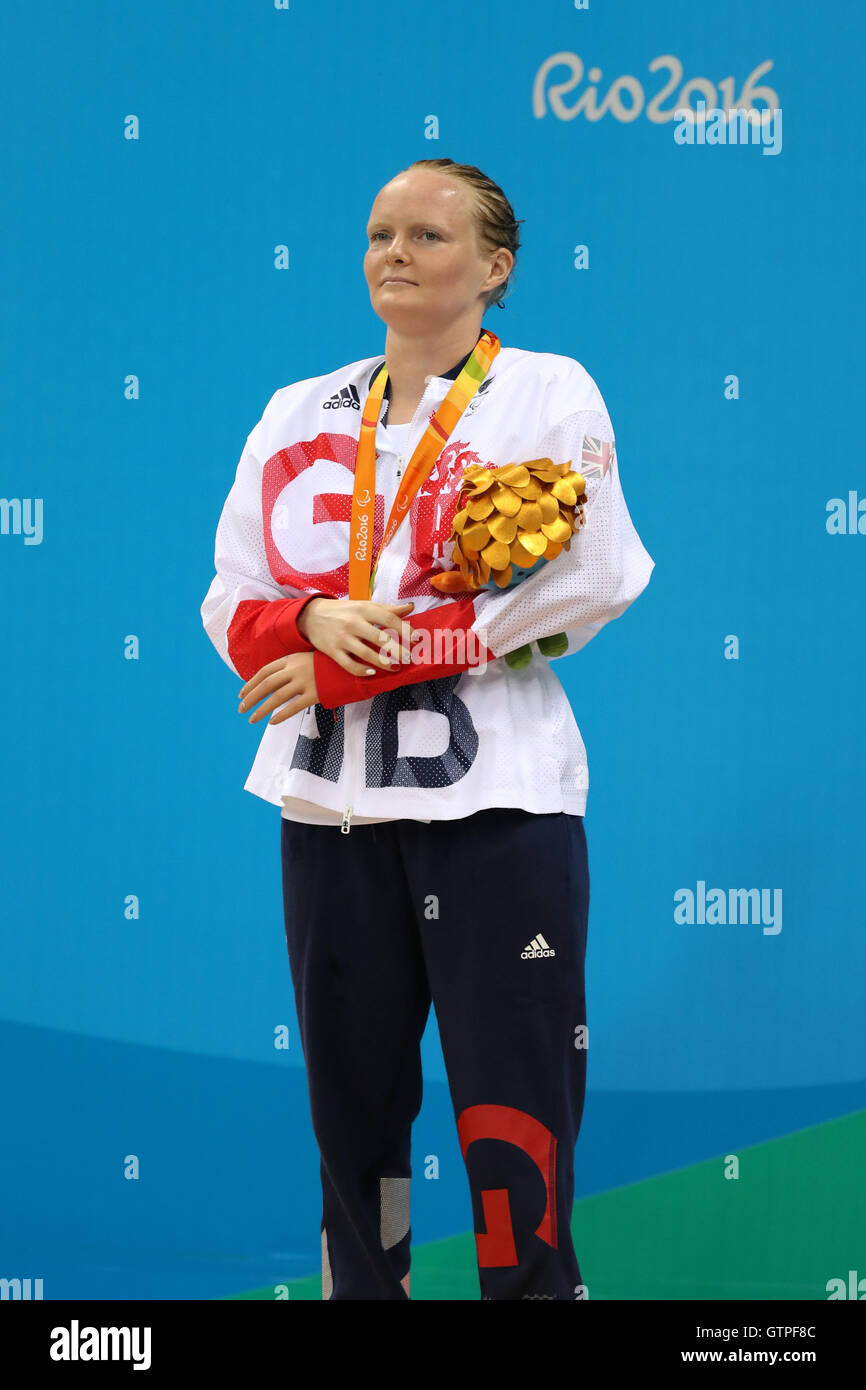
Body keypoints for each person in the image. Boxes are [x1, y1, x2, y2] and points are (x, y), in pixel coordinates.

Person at [201, 158, 655, 1300]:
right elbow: (227, 598)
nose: (392, 253)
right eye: (377, 234)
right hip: (333, 810)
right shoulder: (296, 410)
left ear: (493, 269)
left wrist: (368, 658)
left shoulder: (547, 392)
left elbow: (593, 578)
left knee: (512, 1105)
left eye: (426, 236)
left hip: (494, 808)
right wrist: (304, 617)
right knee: (351, 1112)